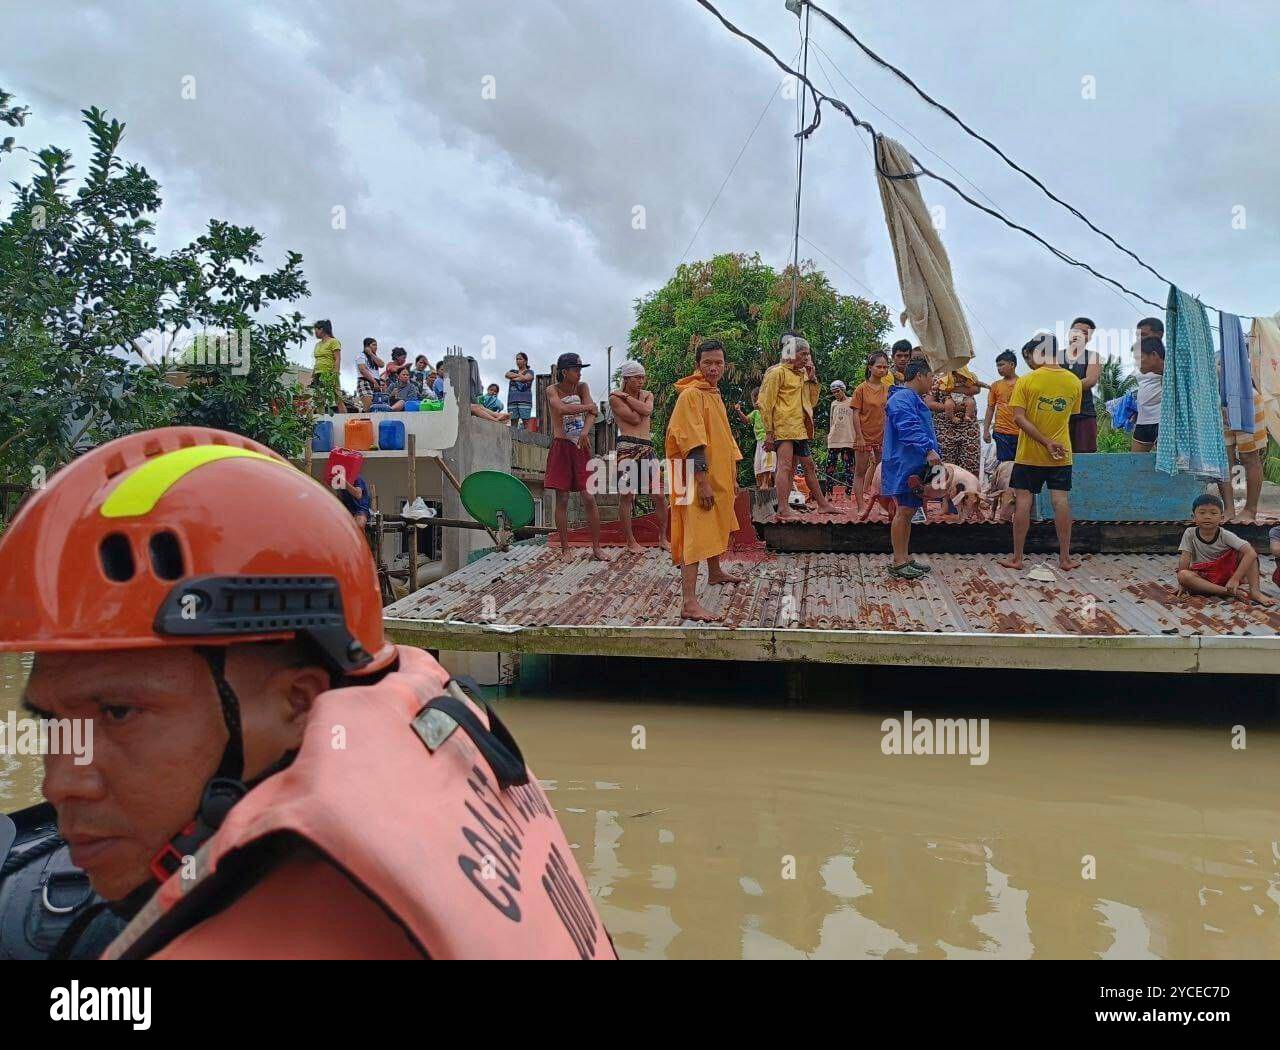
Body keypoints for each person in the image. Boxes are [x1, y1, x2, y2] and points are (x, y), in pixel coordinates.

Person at [0, 426, 613, 960]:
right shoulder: (443, 749)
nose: (61, 783)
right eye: (55, 724)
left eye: (118, 713)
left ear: (300, 703)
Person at [665, 340, 744, 621]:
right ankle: (689, 602)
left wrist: (731, 474)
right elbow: (693, 441)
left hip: (714, 473)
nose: (713, 368)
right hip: (693, 476)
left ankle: (714, 572)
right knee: (695, 534)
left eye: (718, 363)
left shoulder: (713, 393)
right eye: (708, 363)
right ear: (698, 364)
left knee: (712, 523)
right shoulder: (691, 395)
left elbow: (723, 437)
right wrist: (702, 481)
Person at [998, 333, 1083, 573]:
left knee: (1024, 502)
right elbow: (1071, 418)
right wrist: (1053, 442)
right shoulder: (1073, 381)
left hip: (1029, 455)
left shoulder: (1026, 381)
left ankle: (1017, 558)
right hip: (1061, 454)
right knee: (1061, 501)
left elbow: (1018, 419)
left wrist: (1044, 442)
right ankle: (1065, 559)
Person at [759, 332, 834, 519]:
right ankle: (783, 509)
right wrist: (769, 433)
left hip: (799, 428)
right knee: (784, 466)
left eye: (808, 354)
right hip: (783, 428)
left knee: (808, 466)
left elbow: (811, 402)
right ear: (791, 353)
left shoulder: (802, 375)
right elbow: (765, 404)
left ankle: (823, 504)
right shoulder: (776, 372)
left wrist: (812, 378)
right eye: (803, 354)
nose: (807, 358)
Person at [881, 357, 941, 580]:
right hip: (904, 462)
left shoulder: (910, 397)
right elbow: (908, 427)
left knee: (909, 511)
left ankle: (904, 557)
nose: (932, 382)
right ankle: (898, 561)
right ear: (920, 376)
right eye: (931, 377)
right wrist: (928, 450)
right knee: (904, 511)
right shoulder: (903, 397)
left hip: (912, 462)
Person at [546, 352, 608, 561]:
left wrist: (585, 431)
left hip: (580, 445)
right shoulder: (551, 390)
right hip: (561, 445)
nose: (579, 373)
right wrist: (587, 407)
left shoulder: (582, 387)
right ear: (565, 372)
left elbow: (593, 412)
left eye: (580, 369)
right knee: (562, 498)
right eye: (576, 369)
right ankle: (565, 548)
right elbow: (561, 408)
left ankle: (597, 548)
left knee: (589, 497)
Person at [609, 360, 667, 554]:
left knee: (658, 494)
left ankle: (663, 538)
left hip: (646, 446)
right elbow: (634, 419)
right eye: (637, 377)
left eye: (643, 377)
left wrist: (625, 396)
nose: (641, 381)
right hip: (626, 446)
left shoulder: (643, 394)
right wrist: (634, 404)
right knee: (627, 495)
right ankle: (631, 541)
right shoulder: (613, 399)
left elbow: (648, 411)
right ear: (626, 379)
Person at [1176, 494, 1273, 605]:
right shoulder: (1189, 533)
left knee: (1247, 553)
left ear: (1221, 518)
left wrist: (1235, 579)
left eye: (1213, 513)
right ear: (1193, 517)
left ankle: (1256, 593)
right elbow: (1185, 558)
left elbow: (1250, 552)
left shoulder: (1225, 535)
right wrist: (1182, 585)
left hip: (1227, 576)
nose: (1207, 516)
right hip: (1204, 578)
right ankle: (1228, 592)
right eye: (1202, 513)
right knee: (1183, 575)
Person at [851, 352, 891, 510]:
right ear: (870, 367)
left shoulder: (888, 389)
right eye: (879, 366)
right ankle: (861, 506)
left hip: (882, 437)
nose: (882, 369)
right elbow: (855, 414)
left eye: (885, 367)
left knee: (883, 471)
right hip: (864, 436)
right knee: (860, 472)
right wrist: (859, 437)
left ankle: (883, 505)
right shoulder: (861, 389)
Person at [928, 367, 981, 477]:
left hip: (969, 429)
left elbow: (976, 389)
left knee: (970, 466)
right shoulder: (936, 378)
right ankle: (942, 493)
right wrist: (954, 408)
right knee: (943, 468)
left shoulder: (968, 376)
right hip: (945, 430)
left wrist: (951, 388)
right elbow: (929, 403)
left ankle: (969, 493)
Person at [1062, 316, 1100, 453]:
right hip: (1058, 414)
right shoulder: (1055, 356)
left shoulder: (1092, 356)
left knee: (1085, 459)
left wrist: (1060, 388)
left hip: (1084, 414)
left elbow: (1090, 380)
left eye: (1085, 333)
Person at [733, 387, 774, 490]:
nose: (757, 401)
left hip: (768, 440)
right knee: (759, 462)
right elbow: (746, 420)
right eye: (755, 399)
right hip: (759, 441)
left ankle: (765, 483)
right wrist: (739, 411)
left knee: (767, 462)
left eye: (759, 398)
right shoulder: (756, 413)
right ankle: (761, 484)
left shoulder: (770, 409)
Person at [983, 350, 1020, 464]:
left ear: (1012, 365)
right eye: (997, 366)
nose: (999, 368)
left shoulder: (1024, 383)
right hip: (1002, 432)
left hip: (1022, 432)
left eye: (1001, 365)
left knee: (1021, 466)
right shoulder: (995, 386)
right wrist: (985, 430)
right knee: (1006, 465)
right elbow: (990, 408)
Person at [1131, 337, 1164, 452]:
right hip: (1143, 420)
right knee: (1135, 462)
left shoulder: (1172, 373)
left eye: (1139, 358)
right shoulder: (1146, 375)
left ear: (1154, 355)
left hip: (1162, 422)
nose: (1137, 363)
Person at [826, 380, 857, 500]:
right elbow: (831, 421)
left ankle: (848, 493)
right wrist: (829, 434)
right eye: (834, 392)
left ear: (843, 389)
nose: (836, 394)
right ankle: (828, 492)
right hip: (835, 437)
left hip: (848, 438)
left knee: (849, 467)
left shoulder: (852, 402)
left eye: (838, 391)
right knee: (830, 465)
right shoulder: (833, 404)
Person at [309, 319, 341, 413]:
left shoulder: (333, 342)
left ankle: (345, 420)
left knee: (337, 398)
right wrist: (313, 375)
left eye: (316, 330)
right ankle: (321, 421)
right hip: (318, 374)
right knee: (319, 400)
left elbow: (338, 358)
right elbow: (317, 361)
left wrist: (335, 373)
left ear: (322, 329)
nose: (315, 332)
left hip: (330, 373)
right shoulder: (317, 345)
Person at [505, 353, 535, 428]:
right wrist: (521, 377)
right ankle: (513, 439)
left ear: (525, 361)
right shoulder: (513, 371)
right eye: (517, 359)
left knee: (526, 423)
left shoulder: (530, 372)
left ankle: (526, 440)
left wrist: (515, 378)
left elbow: (526, 378)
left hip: (525, 401)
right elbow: (507, 375)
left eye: (520, 359)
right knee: (513, 421)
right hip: (512, 401)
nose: (518, 361)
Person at [356, 337, 383, 410]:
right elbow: (363, 370)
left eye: (376, 345)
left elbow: (382, 364)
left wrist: (371, 354)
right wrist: (374, 382)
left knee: (377, 408)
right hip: (365, 381)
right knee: (368, 407)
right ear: (367, 346)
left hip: (376, 383)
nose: (376, 347)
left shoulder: (373, 357)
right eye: (374, 345)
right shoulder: (361, 356)